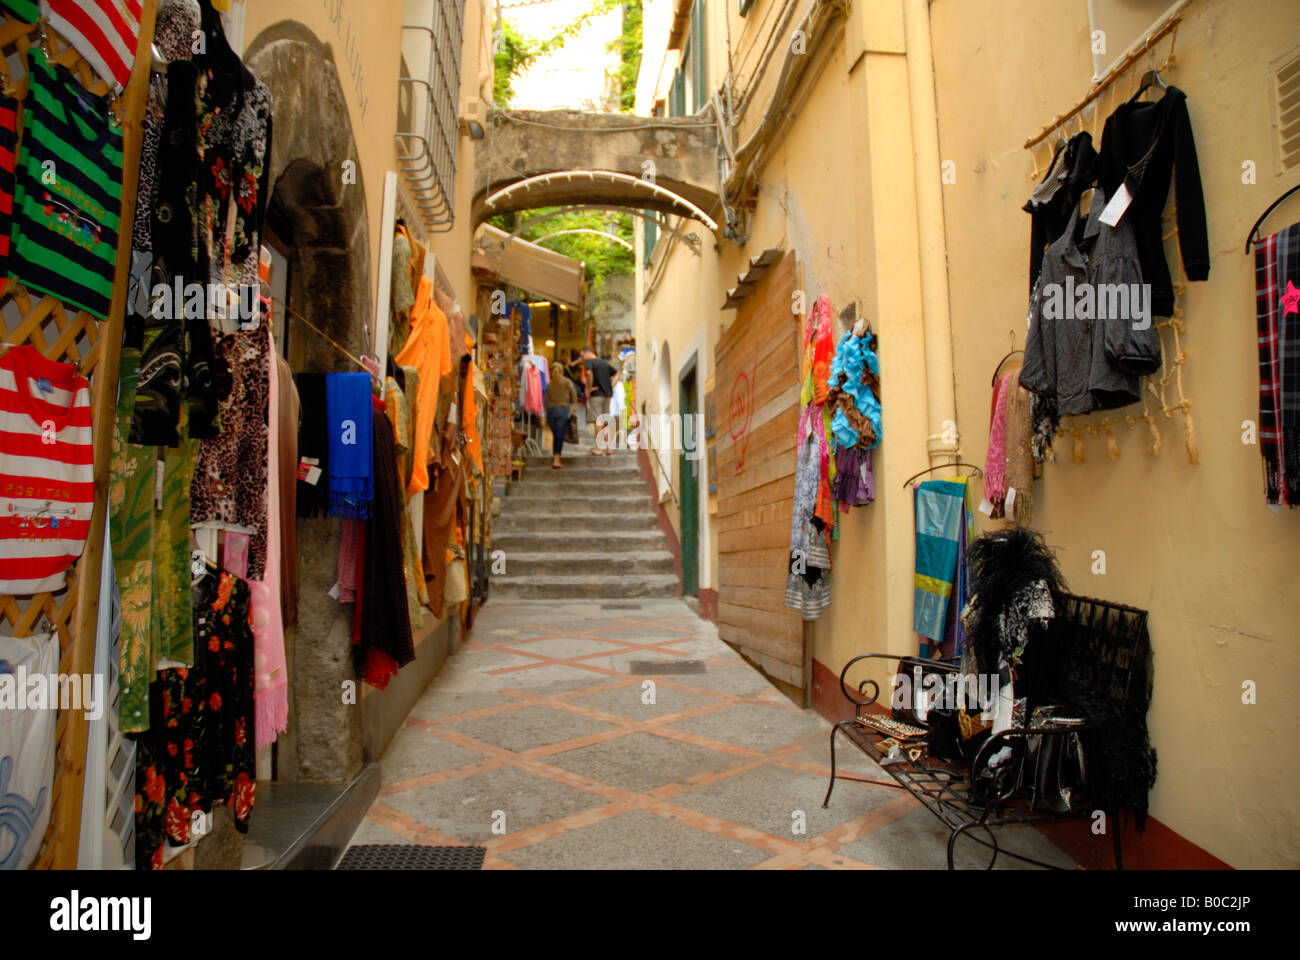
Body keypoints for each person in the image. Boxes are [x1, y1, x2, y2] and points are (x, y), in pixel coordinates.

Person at [582, 346, 620, 455]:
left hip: (597, 395)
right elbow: (617, 373)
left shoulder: (589, 363)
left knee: (598, 421)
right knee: (605, 421)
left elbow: (589, 374)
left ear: (587, 352)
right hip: (607, 395)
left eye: (582, 355)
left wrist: (589, 388)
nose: (582, 357)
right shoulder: (604, 363)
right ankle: (609, 448)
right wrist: (611, 385)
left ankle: (599, 448)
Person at [545, 361, 577, 468]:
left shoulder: (549, 384)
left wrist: (545, 415)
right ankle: (556, 459)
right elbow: (574, 393)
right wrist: (574, 405)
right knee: (559, 436)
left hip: (551, 412)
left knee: (556, 436)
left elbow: (546, 401)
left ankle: (556, 458)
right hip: (562, 410)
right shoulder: (567, 382)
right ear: (562, 371)